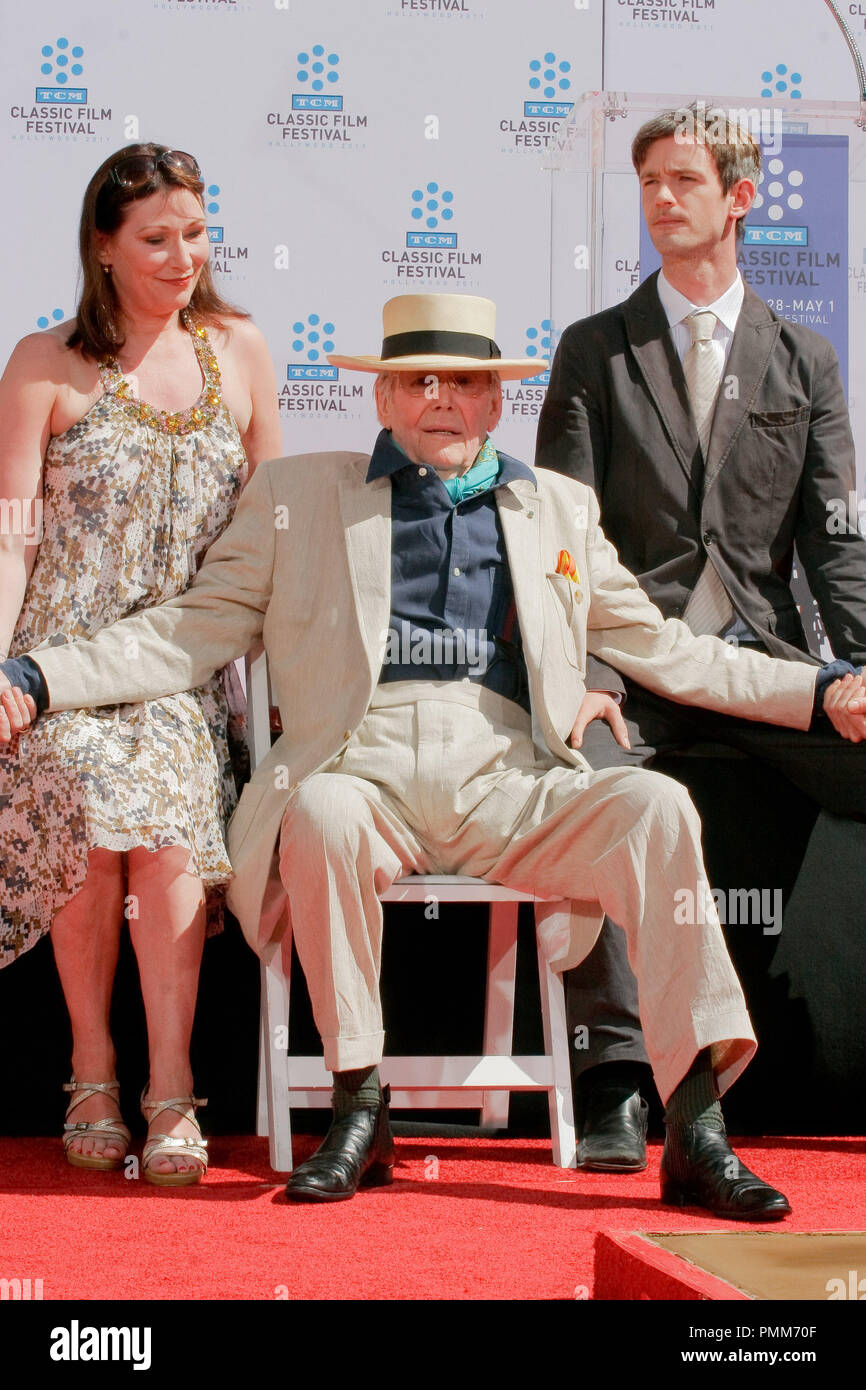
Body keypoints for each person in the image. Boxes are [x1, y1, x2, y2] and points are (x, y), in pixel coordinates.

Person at [1, 293, 864, 1219]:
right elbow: (184, 630)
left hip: (510, 774)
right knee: (321, 812)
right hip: (358, 762)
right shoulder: (299, 497)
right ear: (383, 401)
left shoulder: (559, 510)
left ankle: (695, 1131)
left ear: (496, 404)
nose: (441, 399)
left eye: (464, 383)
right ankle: (361, 1109)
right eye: (418, 382)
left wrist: (818, 689)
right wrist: (38, 676)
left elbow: (670, 649)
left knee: (658, 808)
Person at [535, 104, 866, 1174]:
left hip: (762, 670)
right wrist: (581, 675)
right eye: (647, 182)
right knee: (582, 782)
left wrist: (856, 671)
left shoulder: (804, 359)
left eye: (682, 179)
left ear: (739, 196)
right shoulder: (592, 350)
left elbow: (832, 541)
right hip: (631, 674)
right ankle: (619, 1082)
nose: (660, 199)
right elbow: (561, 536)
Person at [0, 143, 281, 1185]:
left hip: (179, 665)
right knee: (76, 775)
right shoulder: (44, 362)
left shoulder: (241, 351)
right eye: (155, 239)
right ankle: (90, 1064)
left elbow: (272, 530)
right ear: (103, 249)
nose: (182, 257)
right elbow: (12, 536)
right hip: (60, 661)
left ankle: (171, 1083)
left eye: (196, 234)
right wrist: (1, 668)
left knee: (162, 800)